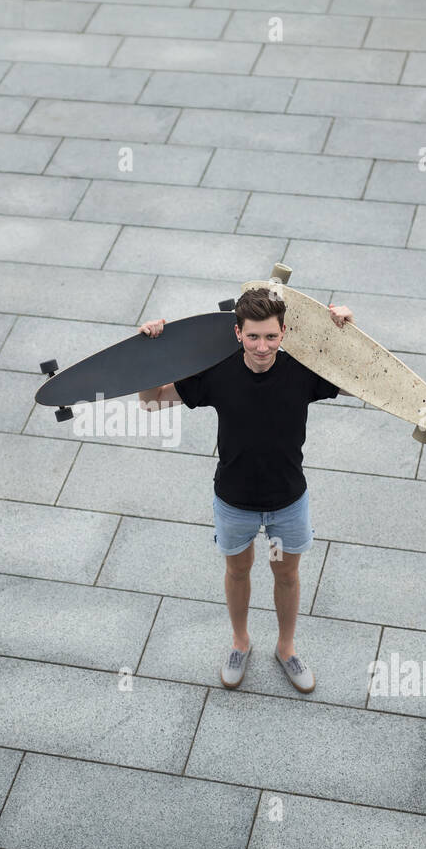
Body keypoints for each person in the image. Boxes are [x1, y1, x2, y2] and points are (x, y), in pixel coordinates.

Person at [137, 288, 354, 694]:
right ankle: (240, 643)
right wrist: (152, 353)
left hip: (287, 502)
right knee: (237, 570)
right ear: (238, 333)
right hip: (234, 502)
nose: (262, 346)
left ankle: (286, 648)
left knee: (285, 573)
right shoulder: (217, 373)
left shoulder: (301, 372)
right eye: (253, 336)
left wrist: (346, 332)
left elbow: (362, 384)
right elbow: (150, 404)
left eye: (271, 337)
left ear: (284, 333)